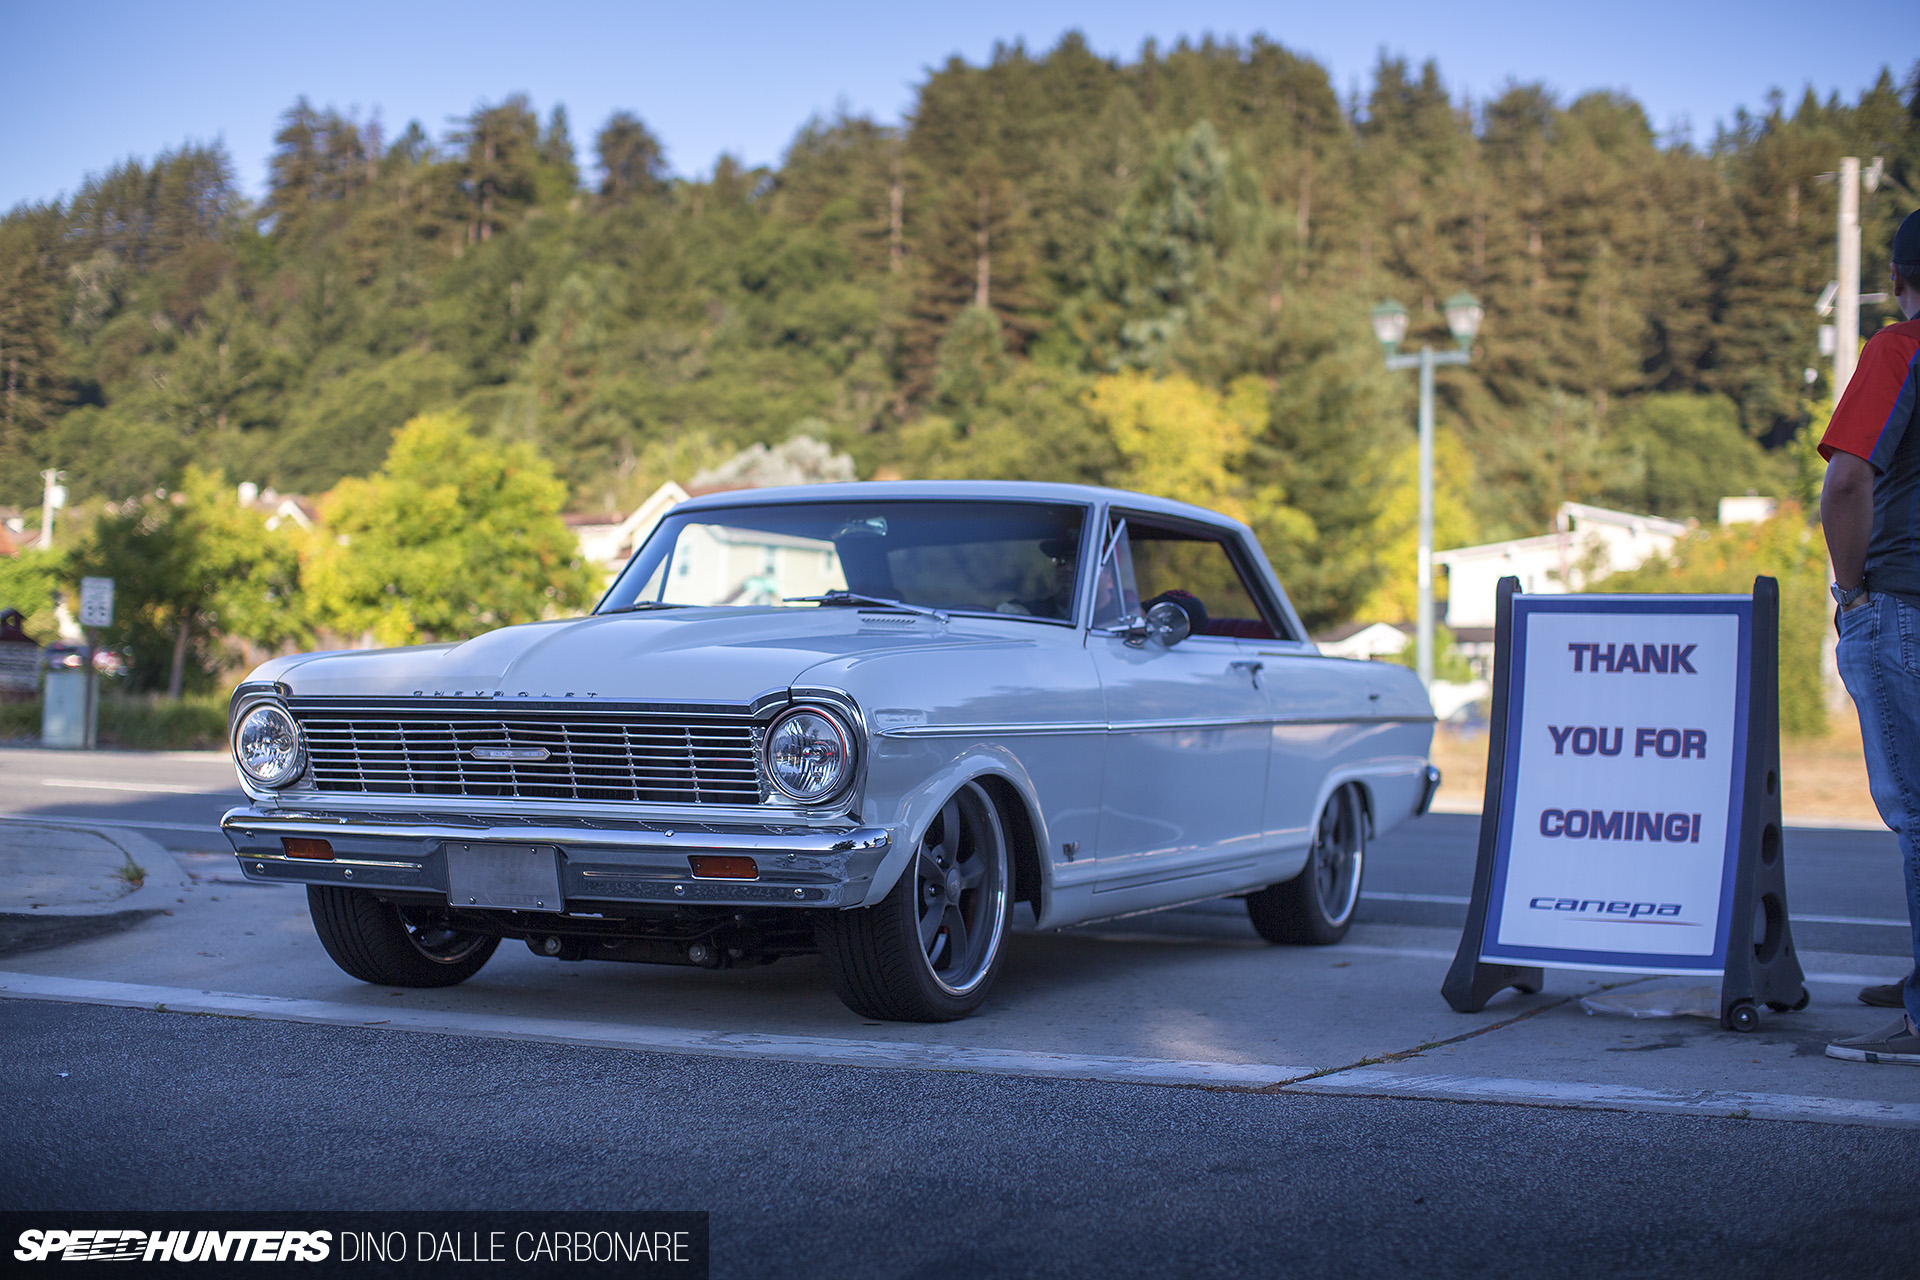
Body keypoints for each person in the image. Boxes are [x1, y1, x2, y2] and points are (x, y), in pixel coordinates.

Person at [1822, 208, 1920, 1065]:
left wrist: (1851, 593)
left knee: (1917, 813)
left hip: (1904, 601)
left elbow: (1847, 480)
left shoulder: (1898, 347)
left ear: (1896, 277)